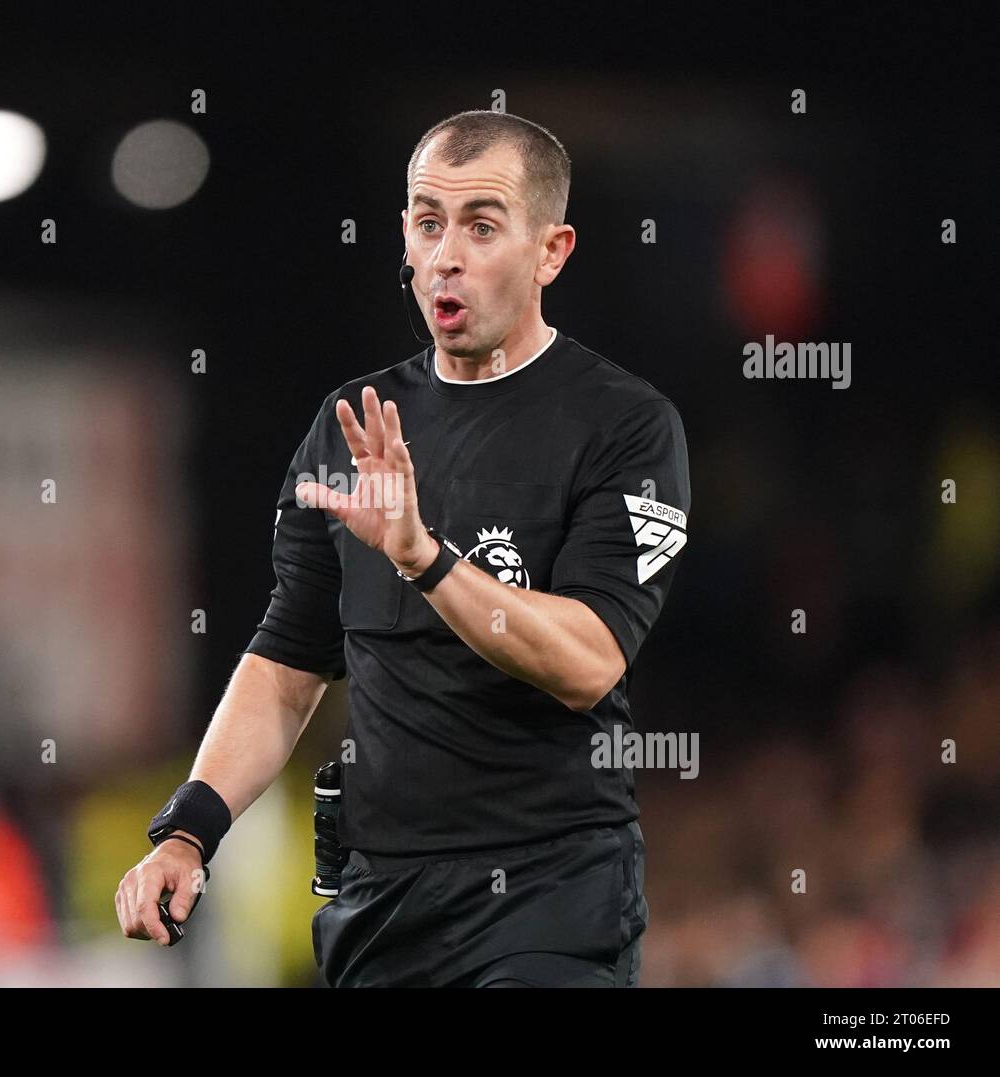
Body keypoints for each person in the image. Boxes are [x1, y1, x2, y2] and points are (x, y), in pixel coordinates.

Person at [116, 110, 691, 987]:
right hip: (380, 902)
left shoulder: (625, 426)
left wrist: (425, 558)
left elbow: (588, 661)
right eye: (428, 223)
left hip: (549, 898)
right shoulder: (351, 426)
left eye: (481, 225)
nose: (446, 255)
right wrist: (189, 832)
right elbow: (287, 662)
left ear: (551, 251)